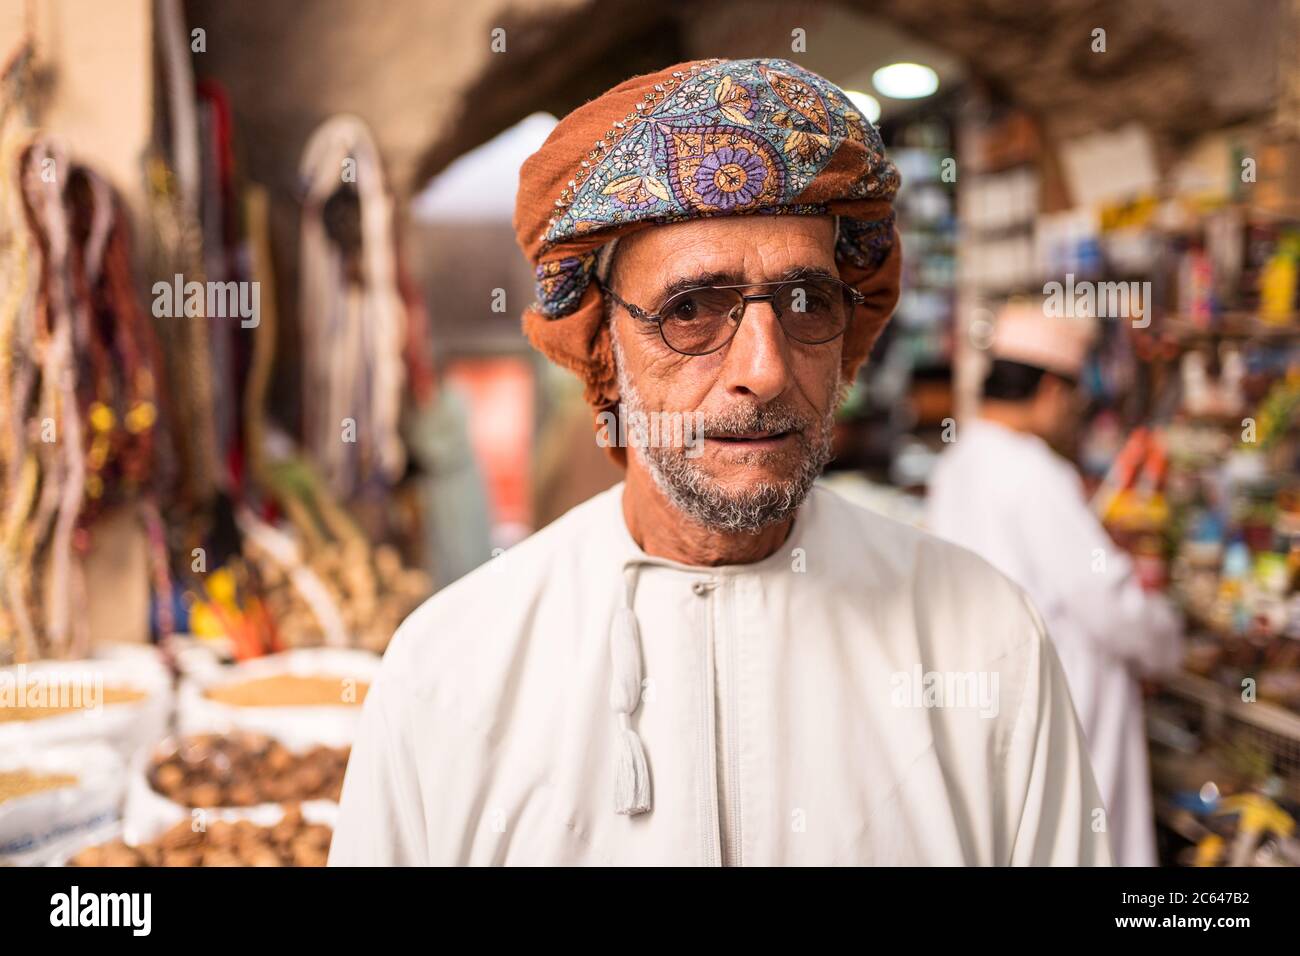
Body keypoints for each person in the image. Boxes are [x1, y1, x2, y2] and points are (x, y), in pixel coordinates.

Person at [330, 58, 1110, 866]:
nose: (765, 370)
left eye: (806, 302)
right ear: (605, 345)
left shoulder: (982, 641)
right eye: (691, 310)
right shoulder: (452, 671)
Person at [927, 302, 1183, 867]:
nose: (1075, 417)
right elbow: (1112, 607)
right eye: (1075, 400)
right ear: (1051, 391)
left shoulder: (960, 462)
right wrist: (1168, 640)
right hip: (1069, 707)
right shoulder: (1033, 473)